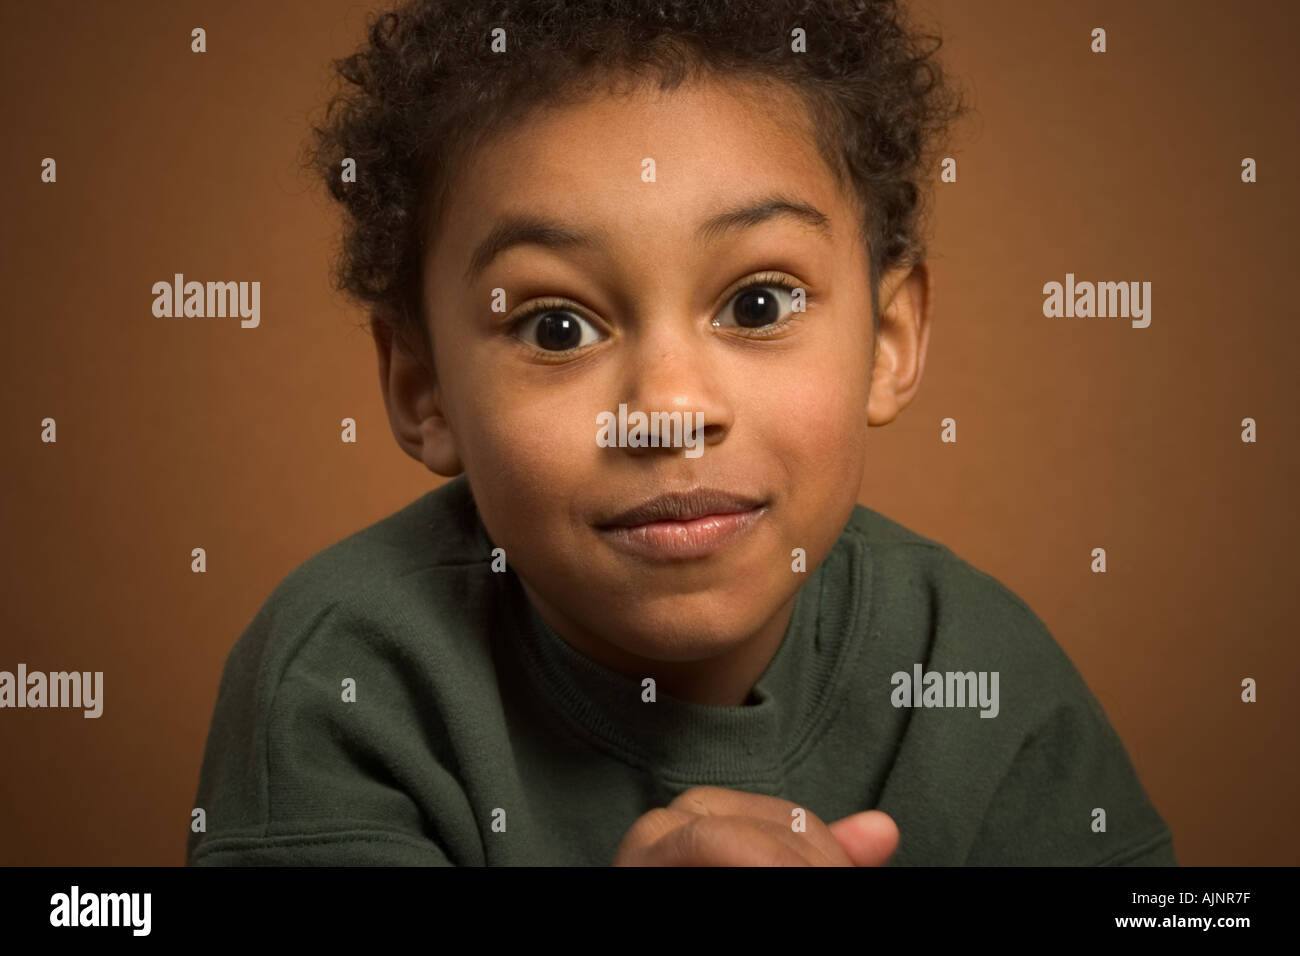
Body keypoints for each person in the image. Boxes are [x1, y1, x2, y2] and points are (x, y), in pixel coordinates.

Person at [186, 0, 1176, 866]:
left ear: (887, 339)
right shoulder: (346, 676)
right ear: (422, 388)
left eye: (756, 304)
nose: (665, 409)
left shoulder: (975, 668)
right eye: (555, 326)